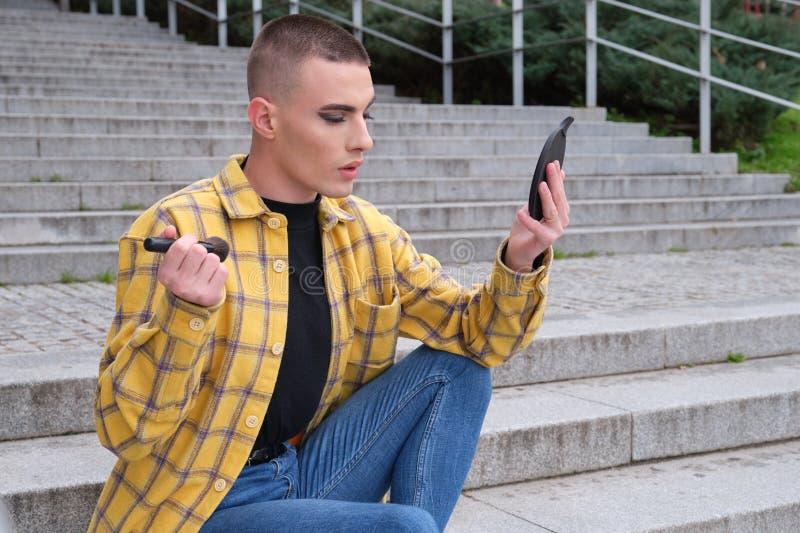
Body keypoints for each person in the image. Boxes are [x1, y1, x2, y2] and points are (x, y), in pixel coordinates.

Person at [88, 13, 569, 533]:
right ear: (266, 119)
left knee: (461, 371)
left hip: (305, 475)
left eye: (366, 115)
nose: (363, 140)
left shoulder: (365, 233)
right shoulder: (179, 228)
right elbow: (126, 431)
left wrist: (522, 259)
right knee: (402, 528)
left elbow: (482, 336)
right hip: (197, 507)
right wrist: (185, 316)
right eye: (336, 117)